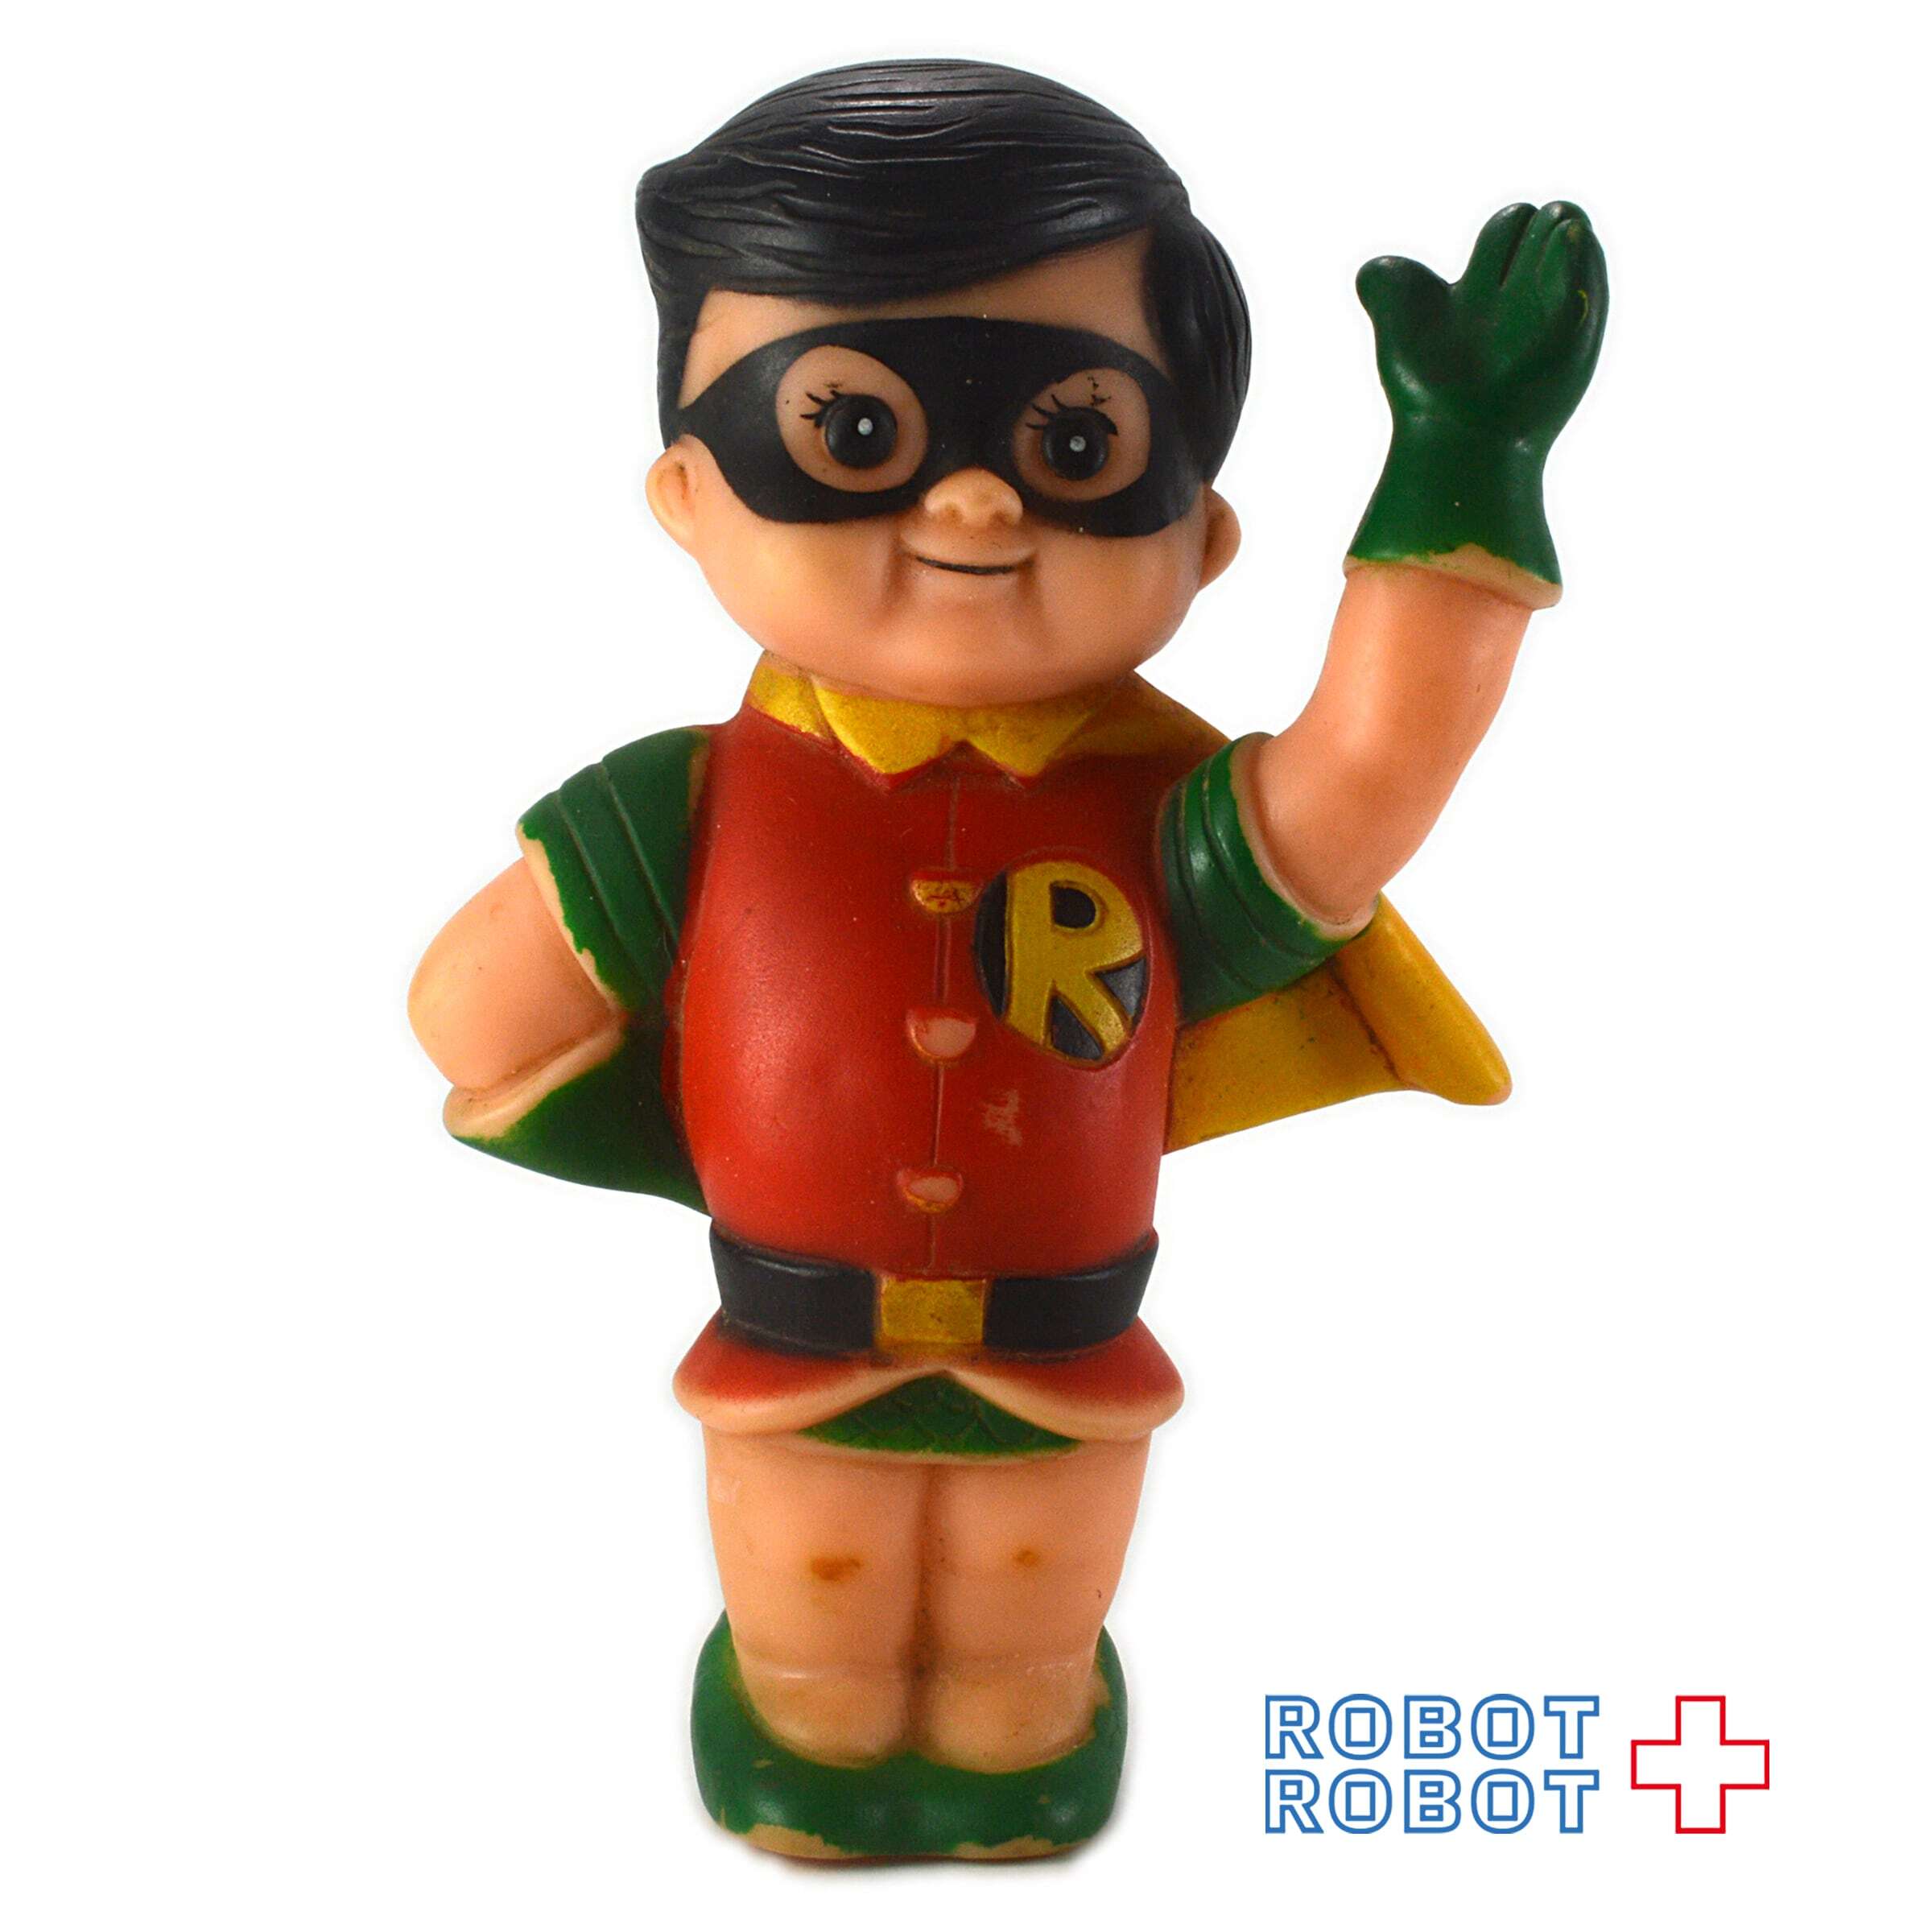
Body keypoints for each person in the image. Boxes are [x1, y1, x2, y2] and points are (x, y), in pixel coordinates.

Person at [407, 58, 1605, 1860]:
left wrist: (1468, 465)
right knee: (813, 1603)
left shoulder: (1163, 821)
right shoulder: (687, 808)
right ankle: (804, 1712)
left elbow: (1364, 781)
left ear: (1202, 534)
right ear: (687, 490)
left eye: (1074, 447)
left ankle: (1019, 1719)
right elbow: (471, 1012)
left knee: (1025, 1616)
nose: (973, 508)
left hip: (1065, 1340)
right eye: (853, 431)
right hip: (793, 1331)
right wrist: (644, 1064)